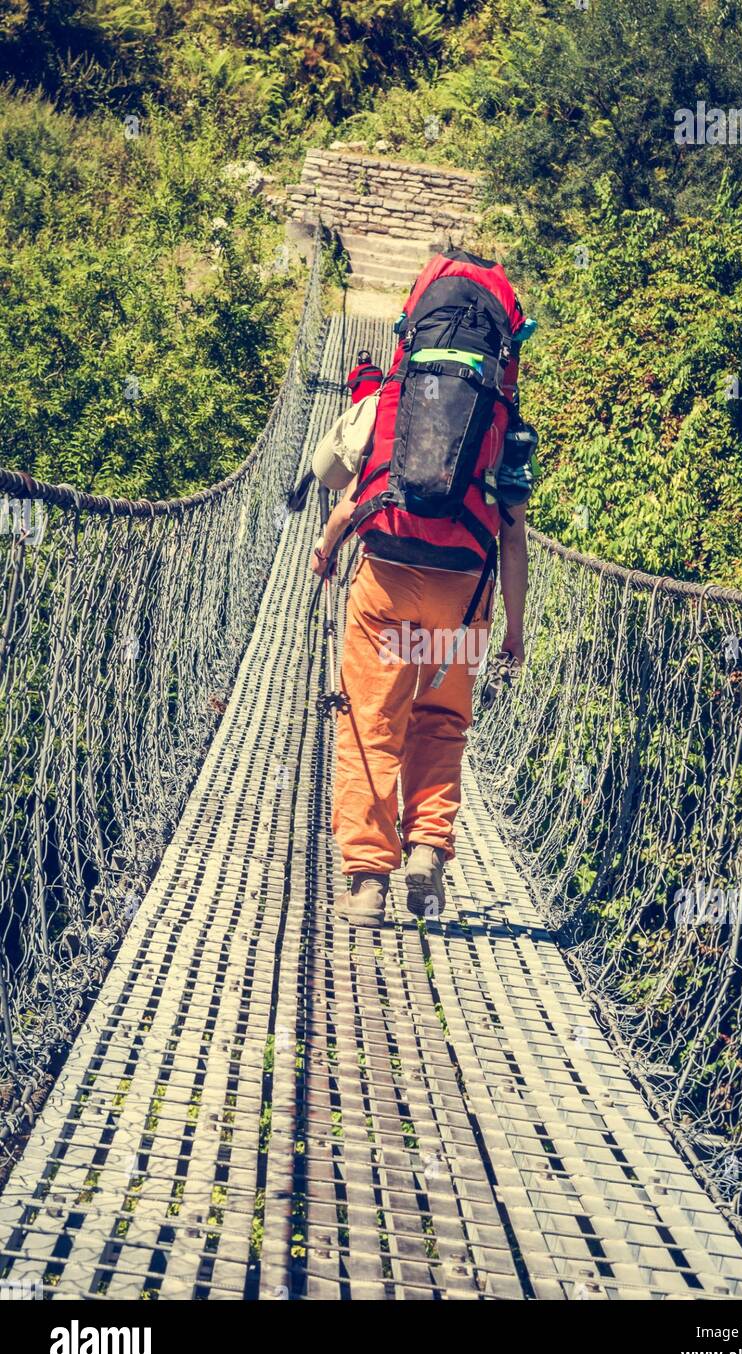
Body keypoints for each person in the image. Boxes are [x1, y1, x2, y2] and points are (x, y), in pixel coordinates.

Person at [312, 250, 536, 927]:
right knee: (440, 723)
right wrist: (516, 632)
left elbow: (333, 481)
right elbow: (515, 534)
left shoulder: (390, 399)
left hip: (385, 578)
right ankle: (428, 850)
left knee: (370, 723)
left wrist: (325, 550)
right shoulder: (508, 427)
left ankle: (367, 885)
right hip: (462, 596)